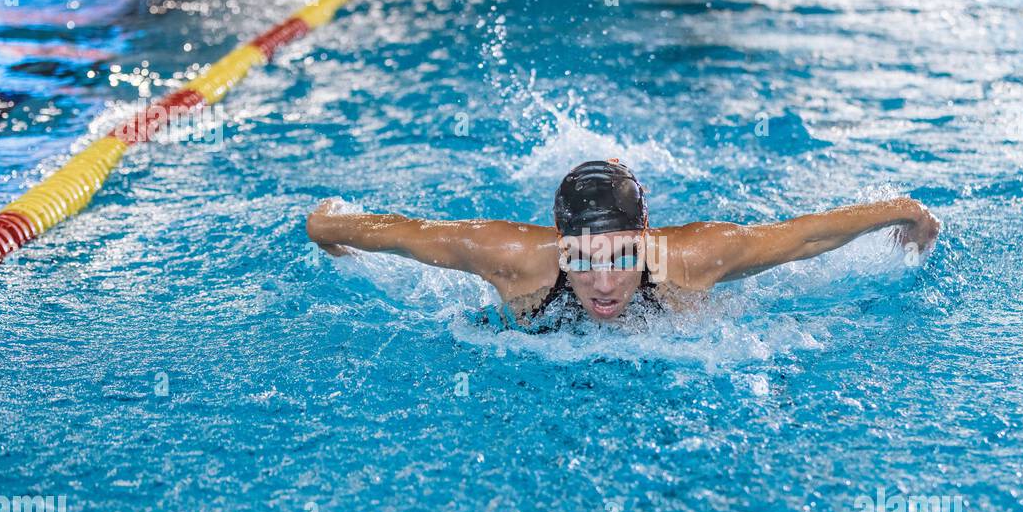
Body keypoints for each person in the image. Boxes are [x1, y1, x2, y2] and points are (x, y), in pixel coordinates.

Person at [306, 159, 940, 331]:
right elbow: (400, 234)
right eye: (581, 262)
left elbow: (803, 236)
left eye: (620, 261)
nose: (603, 284)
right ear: (560, 248)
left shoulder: (692, 258)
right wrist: (327, 227)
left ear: (645, 243)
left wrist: (905, 212)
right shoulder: (513, 260)